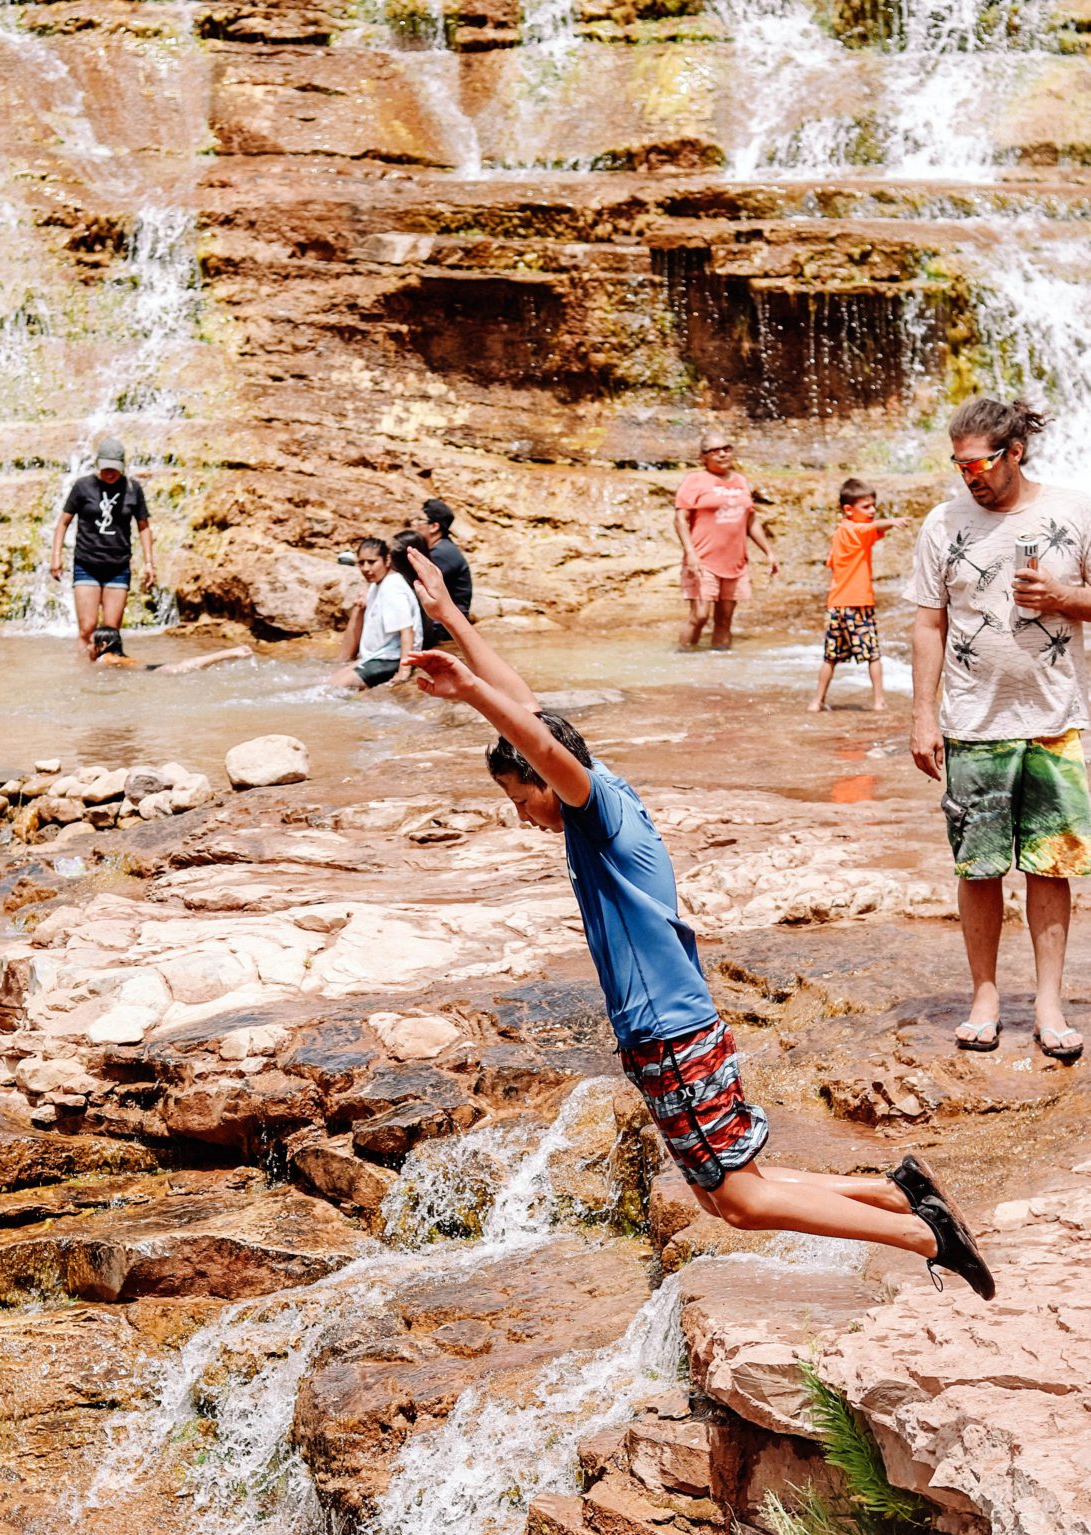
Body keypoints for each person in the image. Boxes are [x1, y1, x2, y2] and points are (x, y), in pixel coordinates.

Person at [404, 543, 994, 1298]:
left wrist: (469, 696)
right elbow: (533, 709)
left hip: (670, 1029)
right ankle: (893, 1190)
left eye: (523, 801)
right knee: (725, 1193)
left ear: (547, 781)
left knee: (739, 1202)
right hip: (664, 1029)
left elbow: (538, 737)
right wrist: (453, 620)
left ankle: (923, 1233)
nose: (524, 819)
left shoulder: (594, 808)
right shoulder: (603, 787)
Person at [909, 395, 1091, 1063]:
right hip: (970, 722)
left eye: (978, 463)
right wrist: (921, 714)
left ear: (1013, 452)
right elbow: (927, 622)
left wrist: (1063, 599)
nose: (968, 476)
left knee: (1051, 866)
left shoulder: (1073, 510)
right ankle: (982, 997)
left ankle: (1048, 1003)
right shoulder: (940, 523)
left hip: (1055, 720)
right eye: (958, 465)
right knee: (977, 866)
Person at [674, 428, 780, 651]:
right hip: (703, 561)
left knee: (724, 621)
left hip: (735, 563)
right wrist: (690, 553)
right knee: (700, 616)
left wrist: (769, 552)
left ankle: (720, 671)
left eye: (726, 449)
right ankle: (682, 659)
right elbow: (680, 519)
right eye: (715, 451)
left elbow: (750, 520)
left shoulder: (740, 481)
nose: (722, 454)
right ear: (703, 457)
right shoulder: (695, 481)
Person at [50, 437, 156, 649]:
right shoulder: (82, 487)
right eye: (106, 468)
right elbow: (63, 523)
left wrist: (149, 563)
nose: (110, 473)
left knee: (111, 633)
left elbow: (143, 527)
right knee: (87, 629)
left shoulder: (133, 489)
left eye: (114, 469)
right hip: (86, 564)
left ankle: (107, 679)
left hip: (118, 567)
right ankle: (82, 676)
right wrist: (56, 557)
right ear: (98, 464)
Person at [813, 478, 905, 714]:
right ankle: (879, 701)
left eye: (874, 505)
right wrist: (892, 522)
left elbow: (831, 562)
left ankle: (817, 701)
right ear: (848, 510)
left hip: (836, 605)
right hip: (859, 603)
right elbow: (869, 529)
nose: (873, 511)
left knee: (830, 656)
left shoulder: (840, 532)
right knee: (873, 654)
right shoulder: (854, 530)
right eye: (866, 507)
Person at [328, 536, 423, 689]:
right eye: (361, 562)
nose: (366, 568)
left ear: (387, 560)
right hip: (376, 656)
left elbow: (407, 631)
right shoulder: (377, 584)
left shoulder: (393, 587)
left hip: (391, 658)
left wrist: (404, 671)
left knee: (335, 688)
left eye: (372, 562)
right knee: (329, 683)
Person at [411, 498, 472, 649]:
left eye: (419, 520)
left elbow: (415, 584)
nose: (413, 523)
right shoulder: (438, 549)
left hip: (444, 626)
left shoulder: (443, 553)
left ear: (434, 527)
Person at [87, 626, 251, 674]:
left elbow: (114, 661)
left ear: (102, 645)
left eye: (90, 643)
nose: (87, 647)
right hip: (150, 668)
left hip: (150, 670)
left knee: (185, 667)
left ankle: (232, 653)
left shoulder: (106, 658)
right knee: (188, 665)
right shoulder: (114, 656)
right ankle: (230, 653)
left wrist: (132, 666)